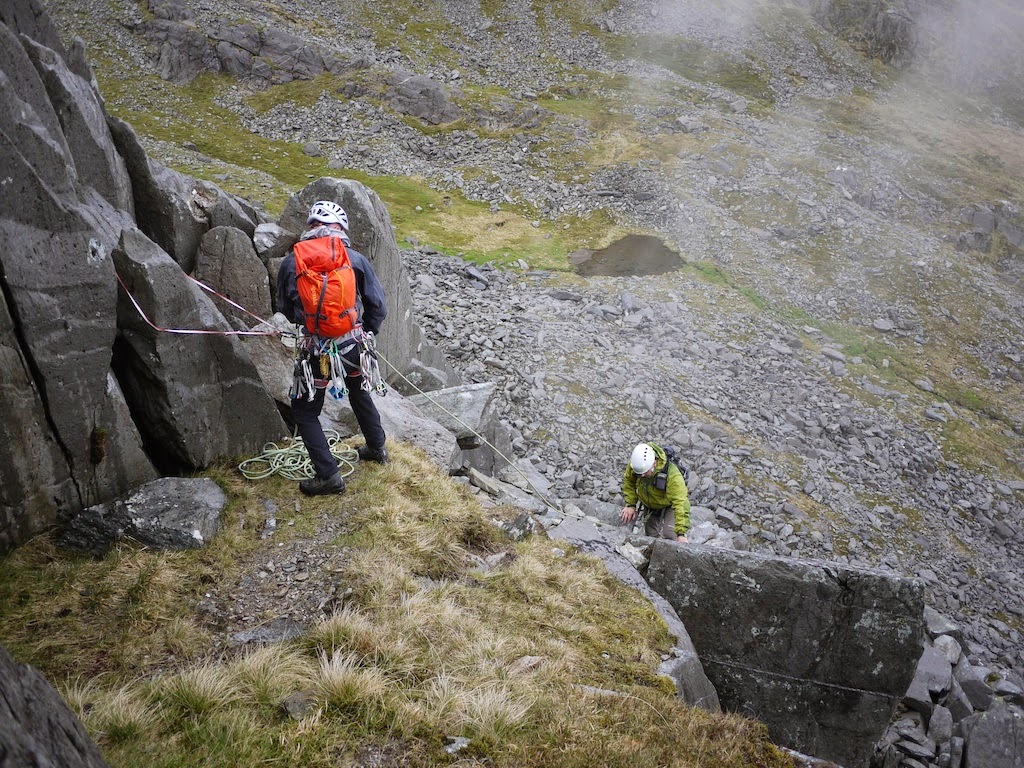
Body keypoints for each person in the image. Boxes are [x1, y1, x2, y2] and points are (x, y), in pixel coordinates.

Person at [276, 200, 390, 496]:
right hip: (353, 345)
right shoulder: (355, 258)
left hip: (316, 351)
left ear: (311, 225)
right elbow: (377, 305)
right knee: (358, 389)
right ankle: (377, 448)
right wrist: (366, 330)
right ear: (342, 228)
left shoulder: (293, 261)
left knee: (305, 410)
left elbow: (285, 308)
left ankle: (329, 476)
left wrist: (311, 322)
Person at [620, 442, 690, 541]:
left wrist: (681, 534)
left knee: (670, 534)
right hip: (651, 503)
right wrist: (630, 505)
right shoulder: (636, 465)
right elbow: (629, 482)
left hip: (671, 504)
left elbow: (680, 503)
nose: (642, 476)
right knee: (650, 535)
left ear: (654, 463)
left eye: (645, 472)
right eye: (639, 474)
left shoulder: (673, 476)